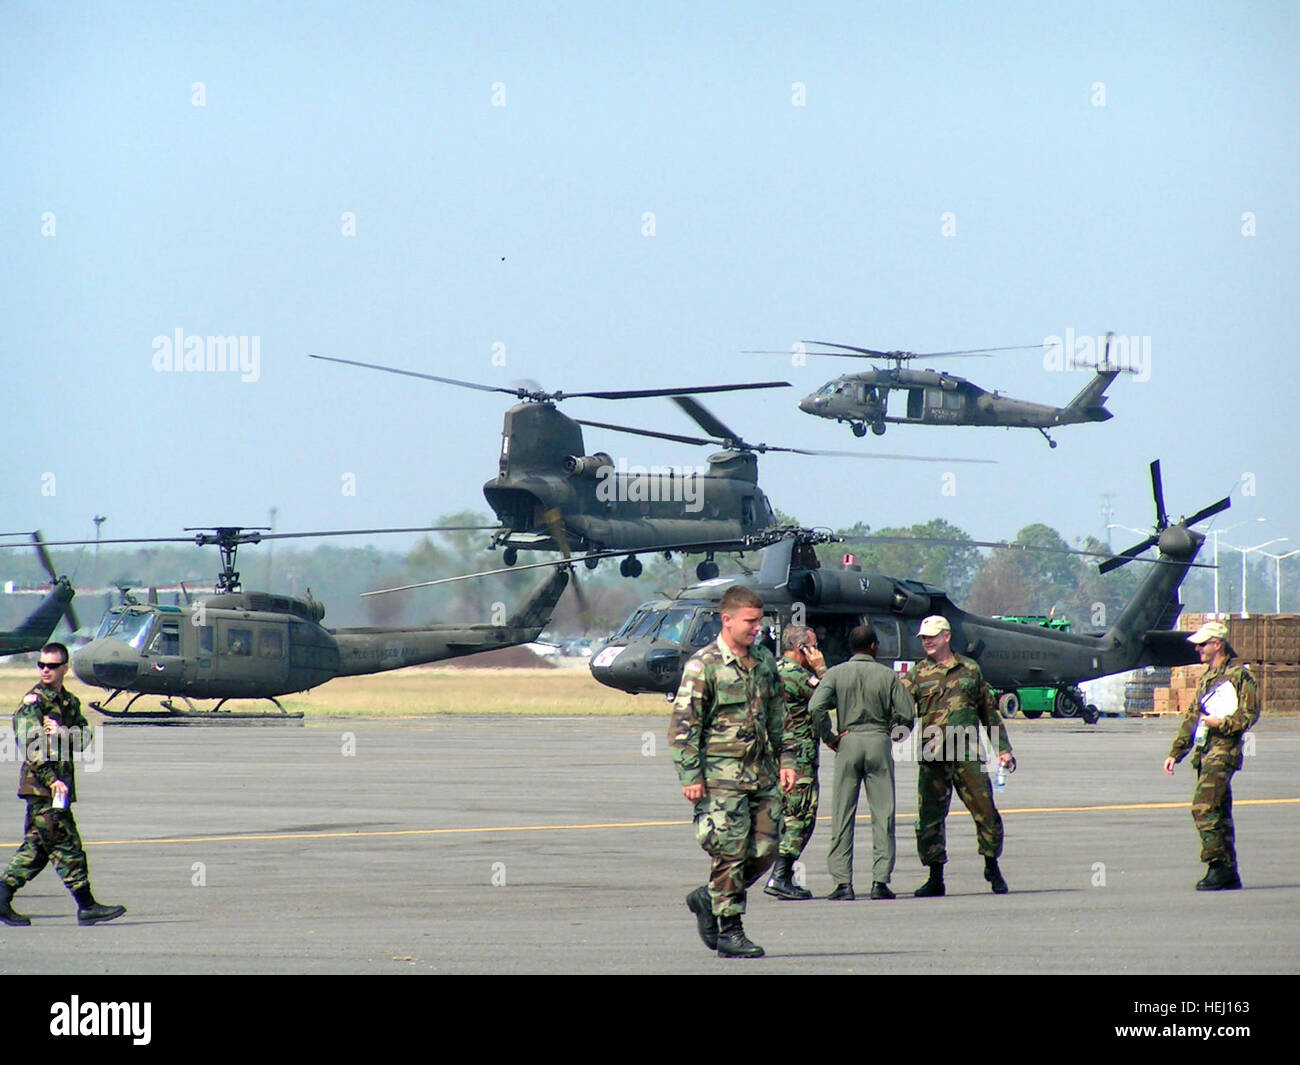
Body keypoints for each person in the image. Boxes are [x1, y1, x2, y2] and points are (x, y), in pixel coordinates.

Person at [669, 586, 796, 959]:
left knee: (768, 848)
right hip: (719, 778)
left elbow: (778, 716)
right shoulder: (703, 665)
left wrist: (788, 760)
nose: (758, 628)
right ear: (727, 620)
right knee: (730, 851)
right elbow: (683, 726)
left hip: (761, 773)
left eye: (759, 620)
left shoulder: (764, 662)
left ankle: (709, 897)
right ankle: (730, 929)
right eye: (750, 621)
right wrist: (690, 776)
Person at [0, 643, 126, 926]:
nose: (45, 669)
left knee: (38, 848)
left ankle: (3, 895)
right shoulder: (34, 702)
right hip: (43, 787)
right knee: (68, 845)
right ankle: (87, 905)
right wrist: (51, 779)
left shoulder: (69, 703)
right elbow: (31, 746)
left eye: (52, 665)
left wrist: (61, 733)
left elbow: (85, 739)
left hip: (60, 787)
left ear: (64, 668)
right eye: (42, 665)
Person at [902, 616, 1013, 897]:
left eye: (932, 636)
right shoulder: (917, 674)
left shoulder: (970, 670)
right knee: (929, 817)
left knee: (985, 811)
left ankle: (992, 864)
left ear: (947, 637)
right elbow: (900, 710)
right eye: (923, 637)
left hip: (966, 752)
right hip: (933, 754)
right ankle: (935, 876)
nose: (926, 641)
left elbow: (989, 712)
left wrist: (1002, 749)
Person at [809, 624, 916, 901]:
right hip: (879, 741)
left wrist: (829, 737)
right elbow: (906, 713)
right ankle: (880, 882)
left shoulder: (836, 673)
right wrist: (893, 735)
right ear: (873, 646)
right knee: (883, 814)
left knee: (843, 813)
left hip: (848, 741)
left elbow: (815, 707)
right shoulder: (887, 676)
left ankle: (843, 883)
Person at [1163, 621, 1260, 890]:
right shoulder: (1207, 678)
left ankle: (1216, 865)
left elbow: (1250, 714)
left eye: (1203, 644)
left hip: (1223, 751)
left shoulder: (1240, 676)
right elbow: (1193, 716)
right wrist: (1177, 752)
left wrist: (1223, 724)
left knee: (1203, 807)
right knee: (1219, 811)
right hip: (1205, 751)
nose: (1198, 648)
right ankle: (1229, 871)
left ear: (1218, 644)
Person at [763, 625, 835, 901]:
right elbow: (829, 699)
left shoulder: (771, 671)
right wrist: (822, 669)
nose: (817, 651)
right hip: (799, 757)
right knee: (800, 816)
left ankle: (784, 876)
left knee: (782, 814)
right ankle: (780, 876)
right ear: (802, 649)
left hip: (775, 755)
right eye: (813, 646)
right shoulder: (799, 676)